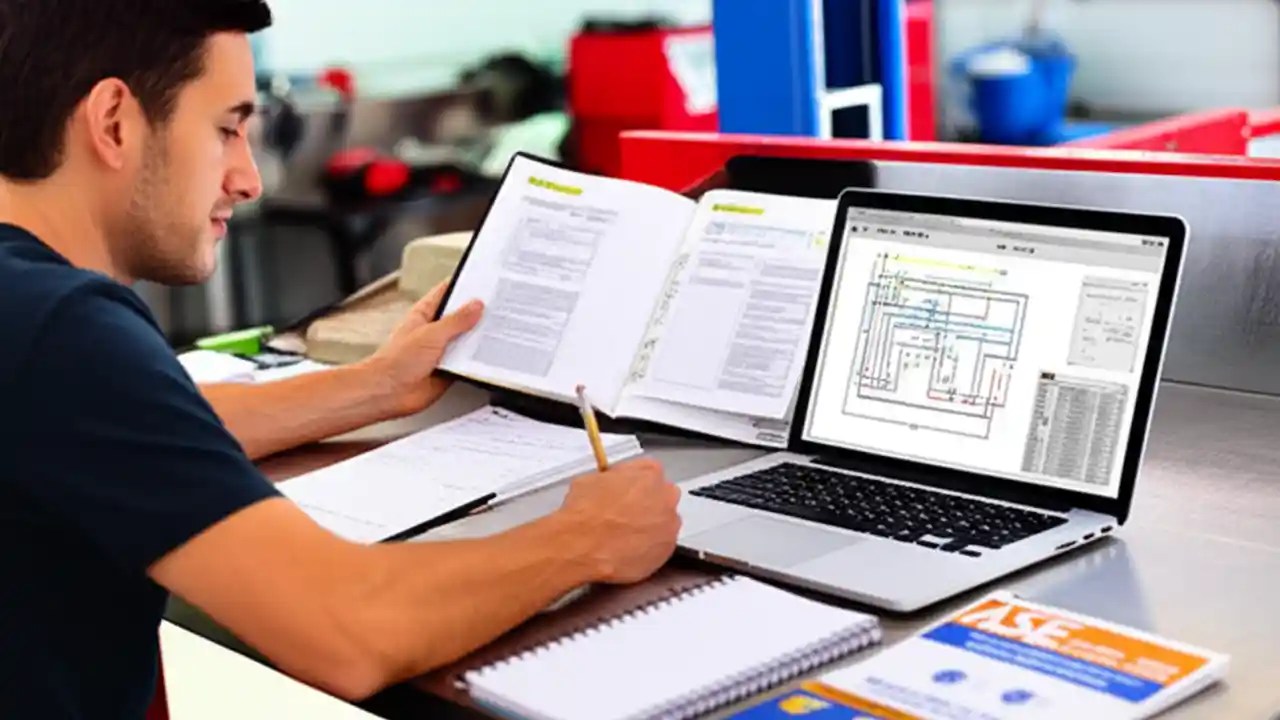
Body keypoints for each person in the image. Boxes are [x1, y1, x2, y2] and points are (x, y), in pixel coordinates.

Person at [0, 2, 682, 717]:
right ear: (114, 122)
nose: (248, 178)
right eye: (228, 129)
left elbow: (139, 430)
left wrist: (374, 386)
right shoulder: (63, 330)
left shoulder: (32, 324)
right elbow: (348, 627)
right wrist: (587, 538)